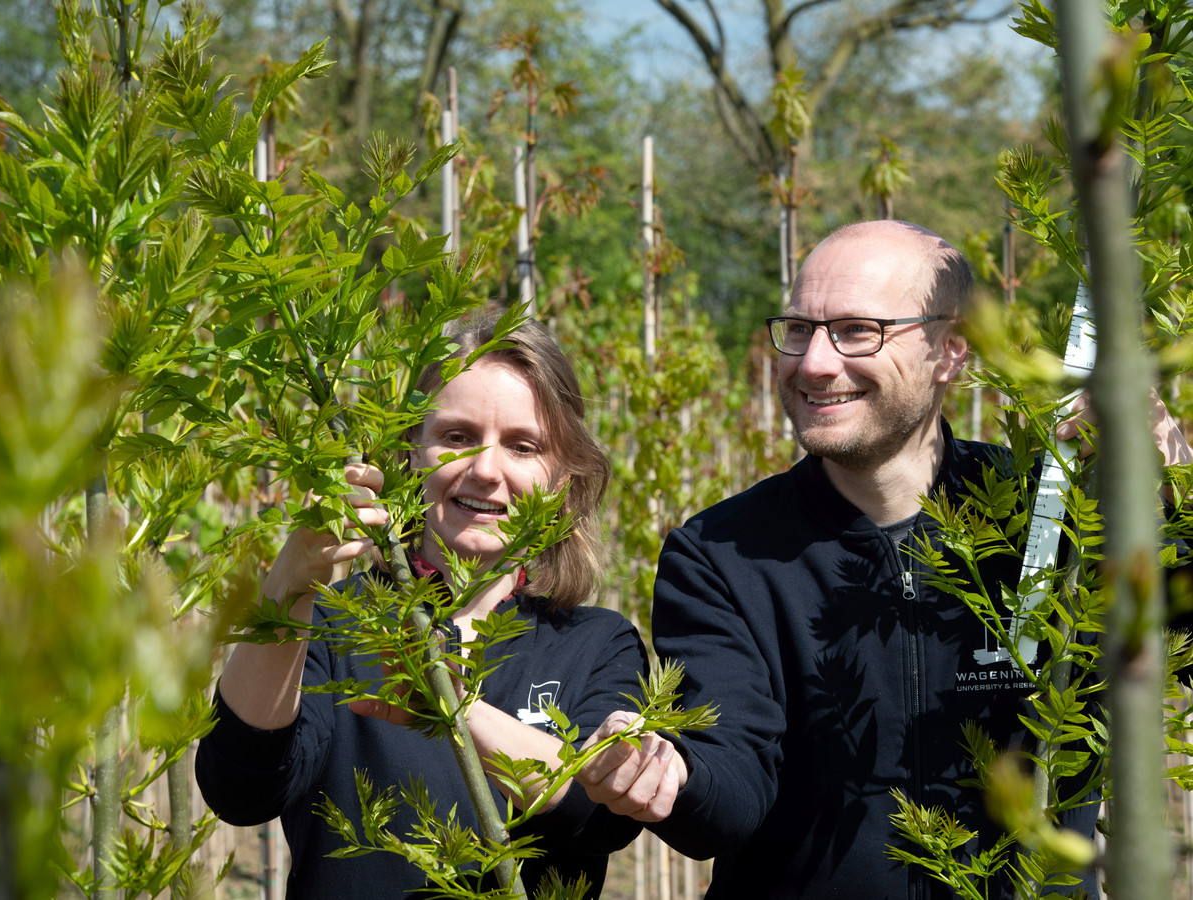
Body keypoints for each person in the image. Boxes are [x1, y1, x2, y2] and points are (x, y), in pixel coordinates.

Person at [573, 220, 1193, 898]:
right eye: (802, 329)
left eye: (857, 330)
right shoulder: (722, 553)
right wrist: (667, 775)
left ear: (951, 350)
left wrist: (1174, 496)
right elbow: (731, 790)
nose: (813, 362)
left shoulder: (1055, 521)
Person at [195, 317, 646, 898]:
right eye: (456, 437)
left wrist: (453, 710)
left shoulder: (597, 643)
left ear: (561, 476)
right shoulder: (332, 623)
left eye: (522, 445)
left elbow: (599, 817)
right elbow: (240, 790)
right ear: (411, 453)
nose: (484, 469)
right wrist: (290, 584)